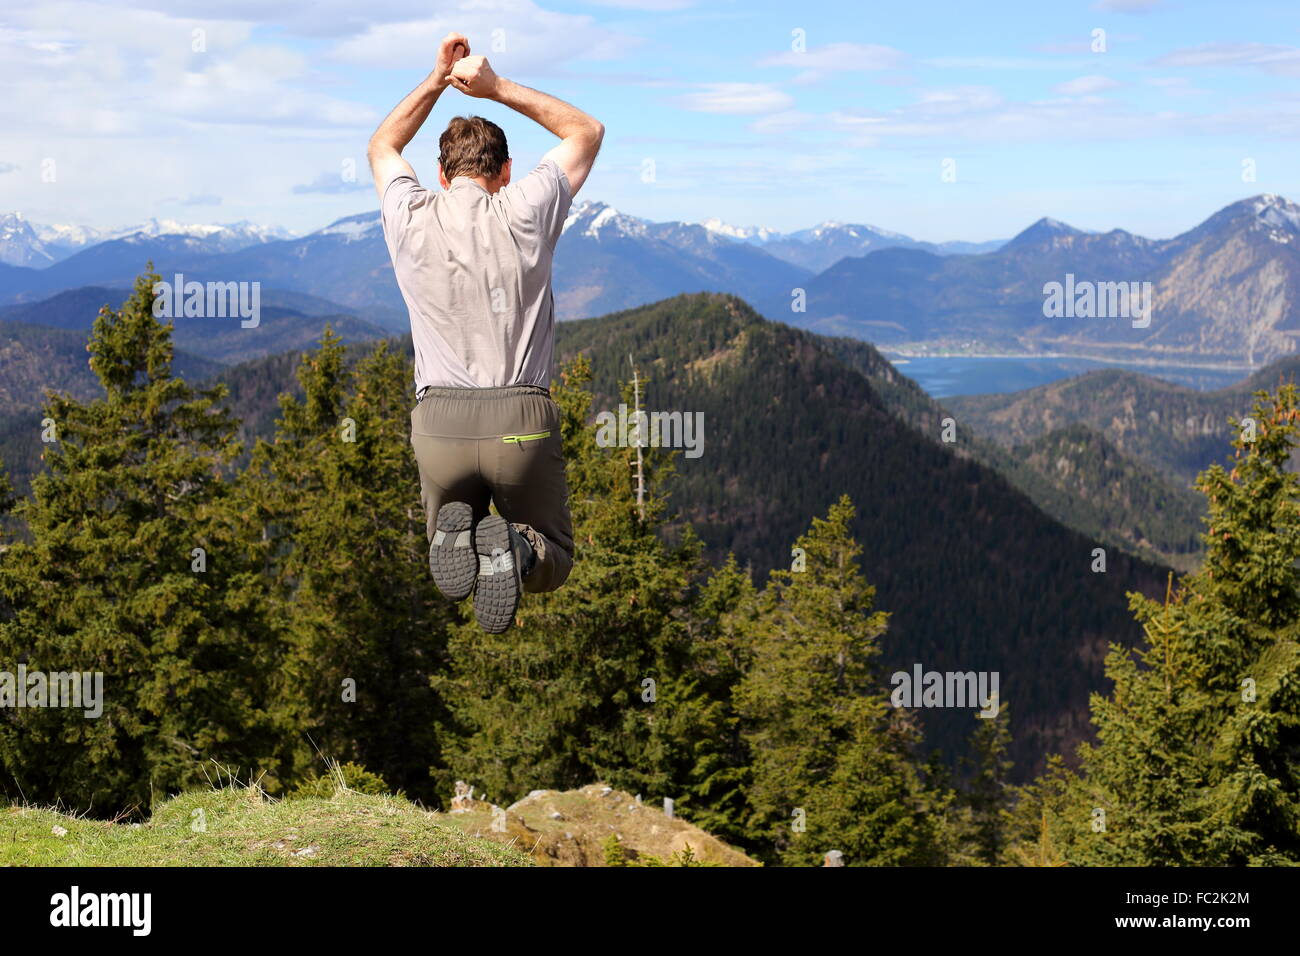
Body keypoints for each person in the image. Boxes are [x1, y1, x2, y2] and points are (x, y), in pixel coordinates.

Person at [367, 32, 603, 633]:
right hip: (519, 423)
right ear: (505, 172)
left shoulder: (410, 214)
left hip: (439, 422)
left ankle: (469, 534)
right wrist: (495, 88)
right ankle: (519, 551)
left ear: (442, 175)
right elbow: (586, 131)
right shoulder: (526, 207)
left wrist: (435, 79)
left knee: (457, 543)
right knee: (554, 558)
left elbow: (382, 146)